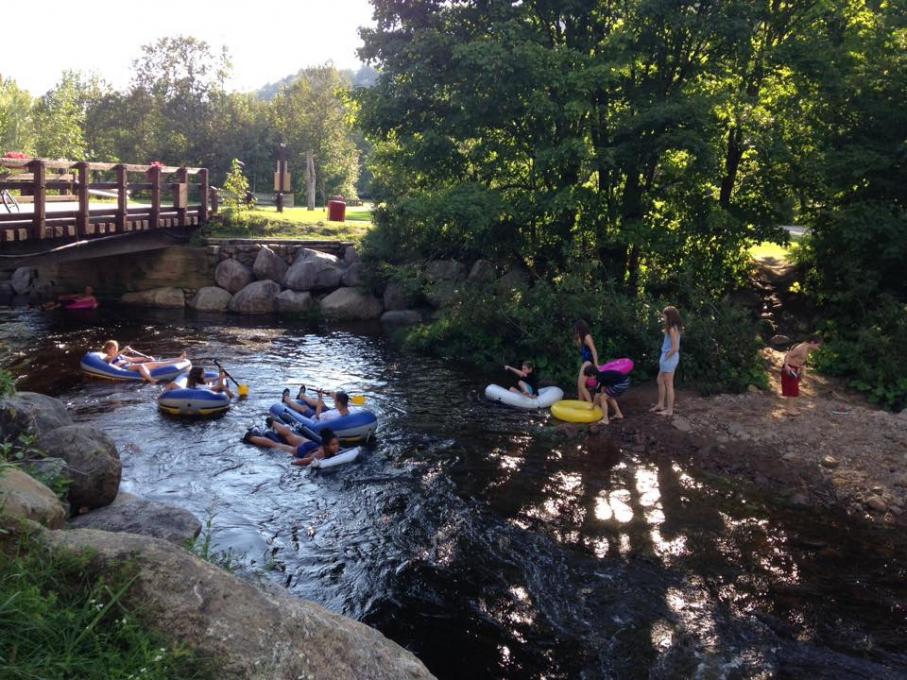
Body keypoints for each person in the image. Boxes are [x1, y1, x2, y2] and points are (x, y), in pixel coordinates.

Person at [242, 419, 340, 466]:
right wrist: (292, 463)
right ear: (326, 445)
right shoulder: (320, 455)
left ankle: (273, 422)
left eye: (337, 444)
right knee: (275, 445)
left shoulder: (328, 448)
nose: (336, 447)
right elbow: (303, 461)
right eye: (333, 445)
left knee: (290, 435)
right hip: (303, 451)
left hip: (311, 445)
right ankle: (250, 437)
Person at [101, 340, 187, 383]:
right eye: (114, 348)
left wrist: (145, 358)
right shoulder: (107, 357)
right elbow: (111, 360)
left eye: (117, 348)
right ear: (108, 349)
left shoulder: (120, 355)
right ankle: (151, 380)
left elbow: (132, 359)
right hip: (124, 368)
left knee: (156, 364)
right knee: (141, 366)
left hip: (130, 365)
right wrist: (123, 350)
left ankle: (178, 359)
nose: (116, 350)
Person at [650, 306, 683, 416]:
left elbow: (675, 347)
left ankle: (669, 411)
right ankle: (660, 404)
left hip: (669, 357)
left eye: (664, 315)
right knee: (659, 380)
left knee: (669, 384)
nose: (663, 317)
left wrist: (666, 357)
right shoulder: (673, 327)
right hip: (668, 357)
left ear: (669, 316)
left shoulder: (672, 329)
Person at [162, 366, 232, 398]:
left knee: (172, 384)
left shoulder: (192, 382)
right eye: (203, 373)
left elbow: (209, 379)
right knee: (221, 387)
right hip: (202, 394)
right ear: (199, 375)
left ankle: (161, 396)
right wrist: (221, 375)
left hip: (186, 393)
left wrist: (219, 377)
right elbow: (220, 385)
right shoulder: (206, 388)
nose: (205, 374)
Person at [574, 320, 600, 402]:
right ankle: (580, 403)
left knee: (582, 385)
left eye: (576, 329)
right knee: (580, 385)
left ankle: (590, 404)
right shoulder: (581, 338)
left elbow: (594, 351)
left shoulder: (587, 337)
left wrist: (596, 364)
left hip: (588, 362)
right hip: (585, 362)